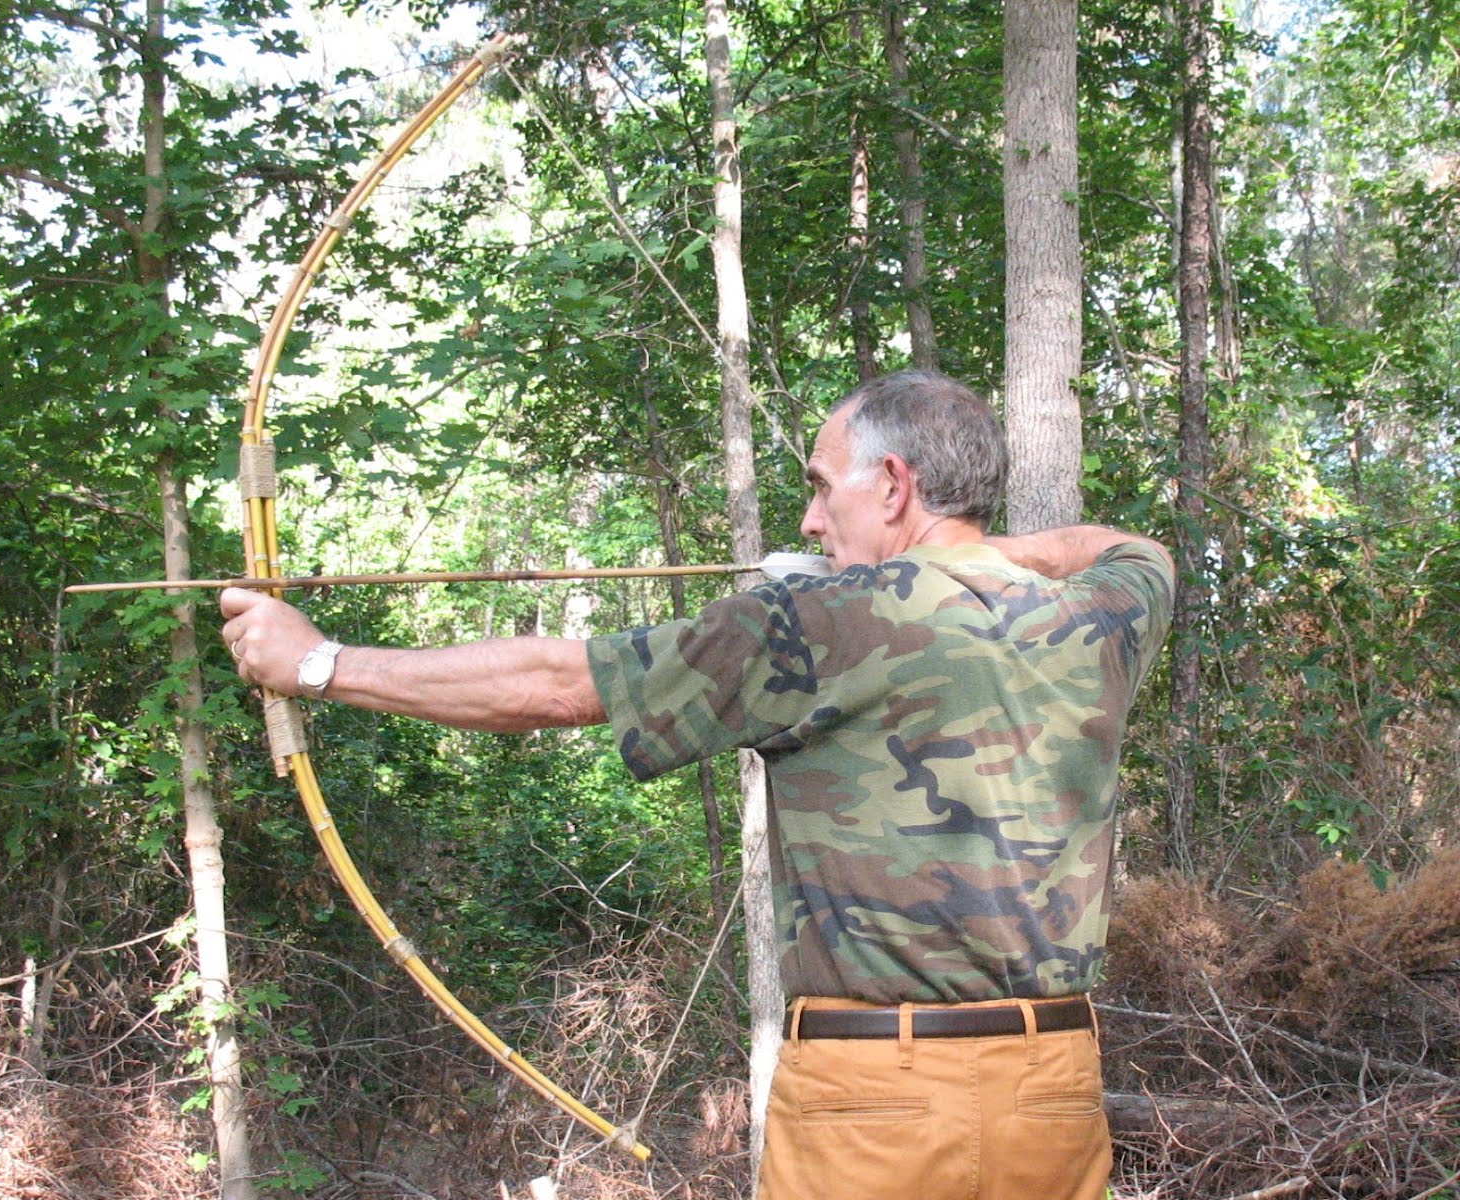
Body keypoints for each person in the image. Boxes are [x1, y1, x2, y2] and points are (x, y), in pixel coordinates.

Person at [221, 370, 1174, 1200]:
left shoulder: (814, 622)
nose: (808, 519)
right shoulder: (1103, 616)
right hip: (1054, 1091)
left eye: (819, 487)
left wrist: (317, 664)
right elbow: (1135, 548)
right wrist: (960, 560)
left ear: (893, 484)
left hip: (876, 1098)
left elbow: (554, 686)